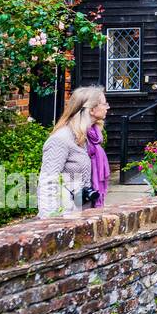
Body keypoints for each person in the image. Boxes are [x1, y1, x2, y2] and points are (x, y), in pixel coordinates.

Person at [37, 86, 110, 218]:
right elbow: (47, 181)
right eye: (104, 103)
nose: (107, 107)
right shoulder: (61, 139)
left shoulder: (91, 137)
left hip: (88, 212)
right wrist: (50, 220)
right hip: (67, 215)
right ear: (92, 109)